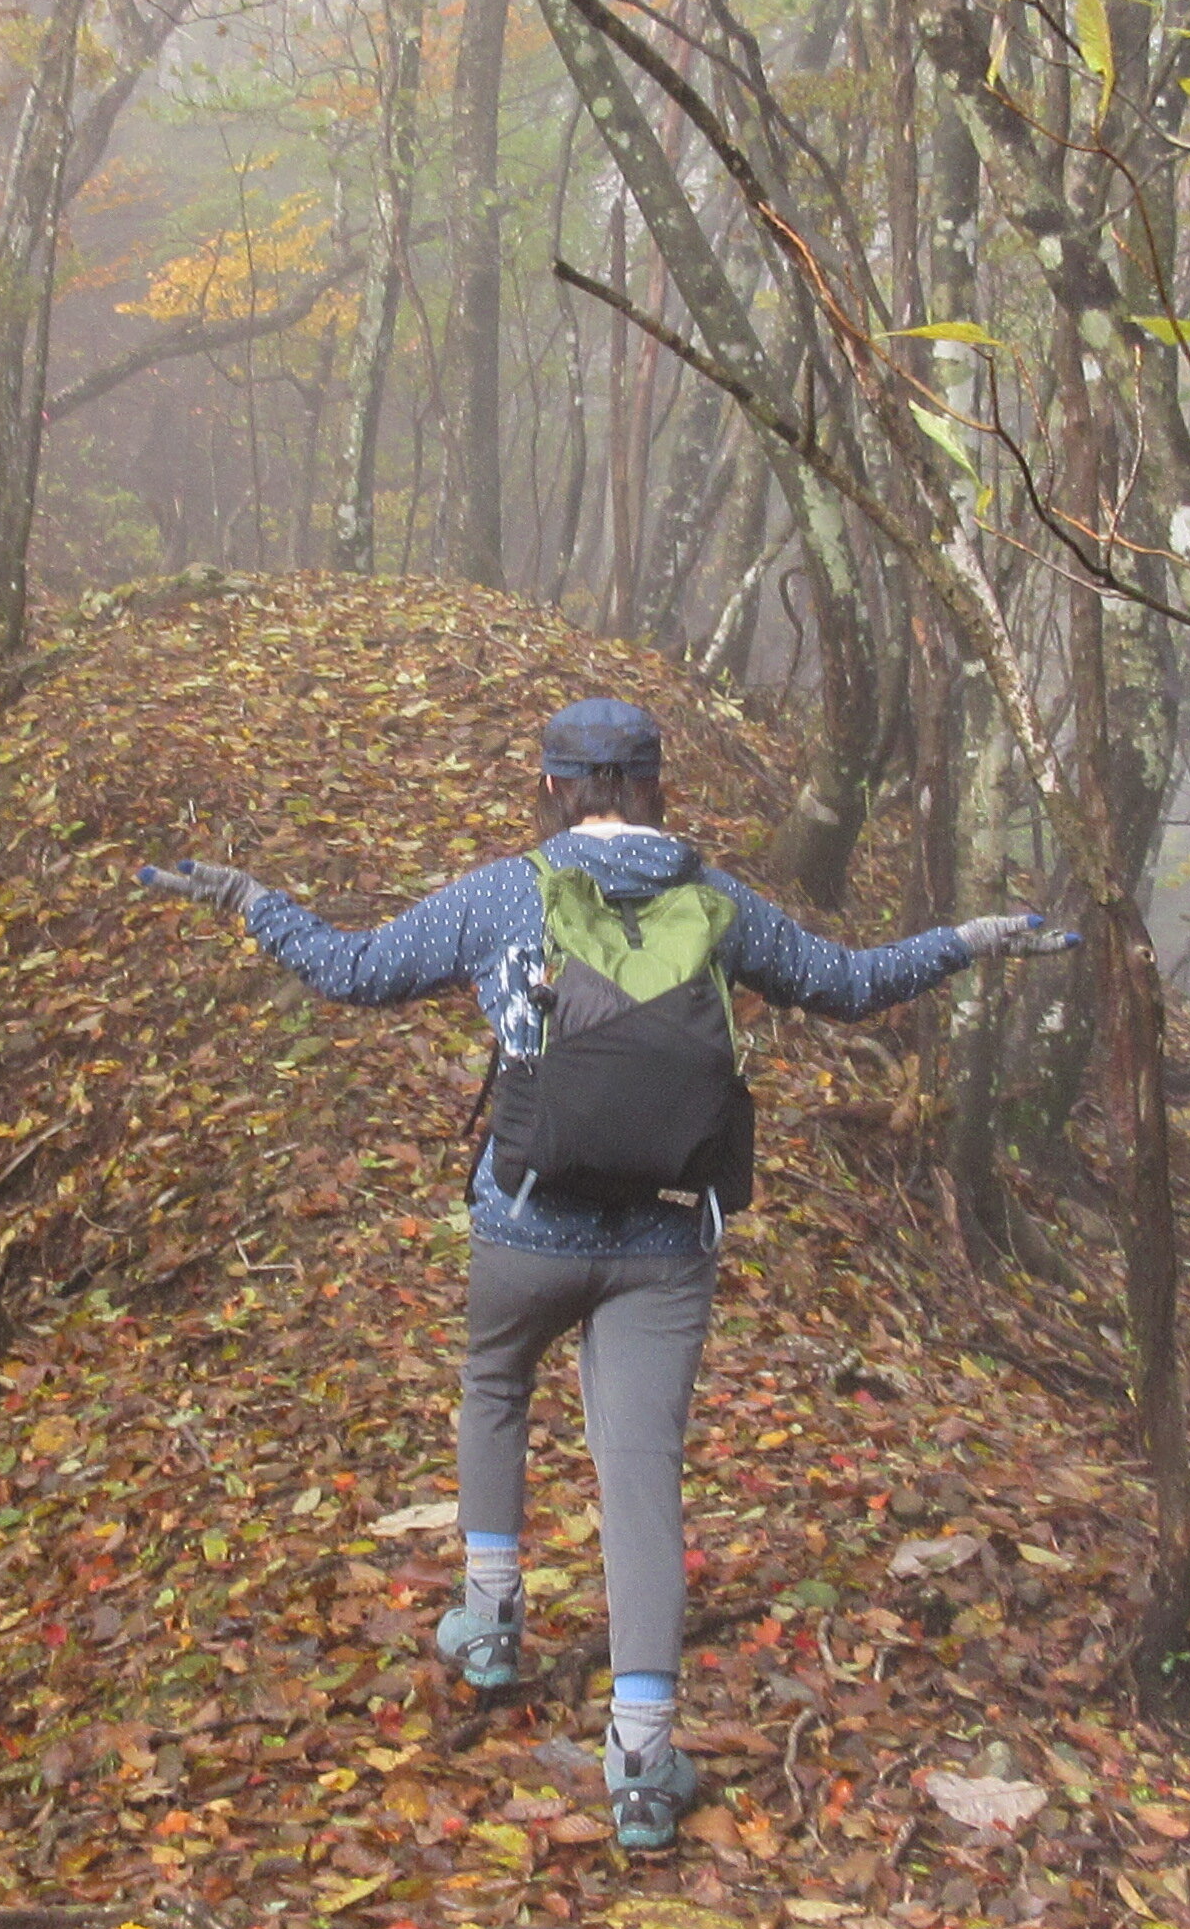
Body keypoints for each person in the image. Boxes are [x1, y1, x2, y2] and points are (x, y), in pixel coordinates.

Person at [140, 695, 1073, 1854]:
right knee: (641, 1473)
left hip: (525, 1227)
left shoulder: (504, 894)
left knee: (494, 1382)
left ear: (552, 788)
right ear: (657, 790)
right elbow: (848, 983)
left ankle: (488, 1625)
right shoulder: (718, 905)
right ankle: (640, 1762)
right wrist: (972, 940)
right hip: (665, 1244)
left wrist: (246, 896)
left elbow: (355, 971)